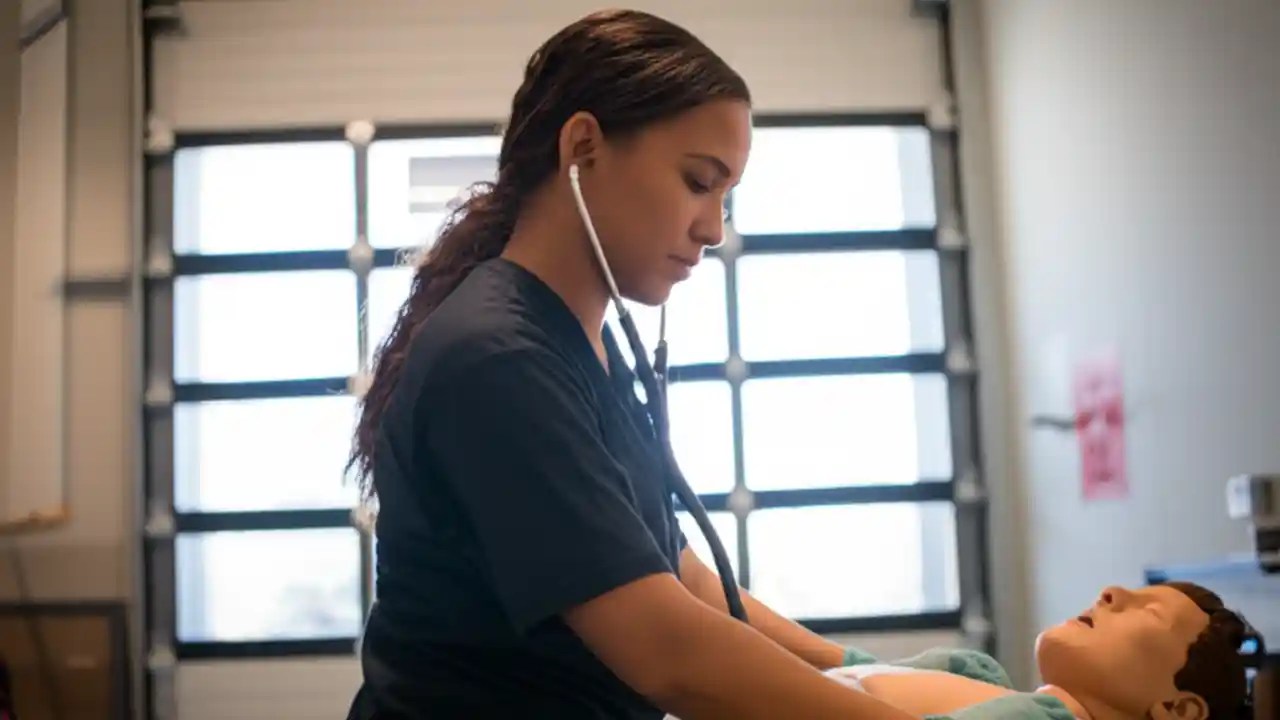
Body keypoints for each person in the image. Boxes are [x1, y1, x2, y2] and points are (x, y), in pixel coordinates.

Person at [343, 9, 1068, 720]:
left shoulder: (576, 342)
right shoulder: (499, 358)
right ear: (583, 147)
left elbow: (675, 570)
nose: (713, 229)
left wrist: (848, 667)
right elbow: (670, 653)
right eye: (698, 181)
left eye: (726, 197)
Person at [826, 582, 1250, 720]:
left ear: (1178, 710)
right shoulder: (974, 672)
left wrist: (755, 663)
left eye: (1151, 614)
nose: (1111, 592)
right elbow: (820, 658)